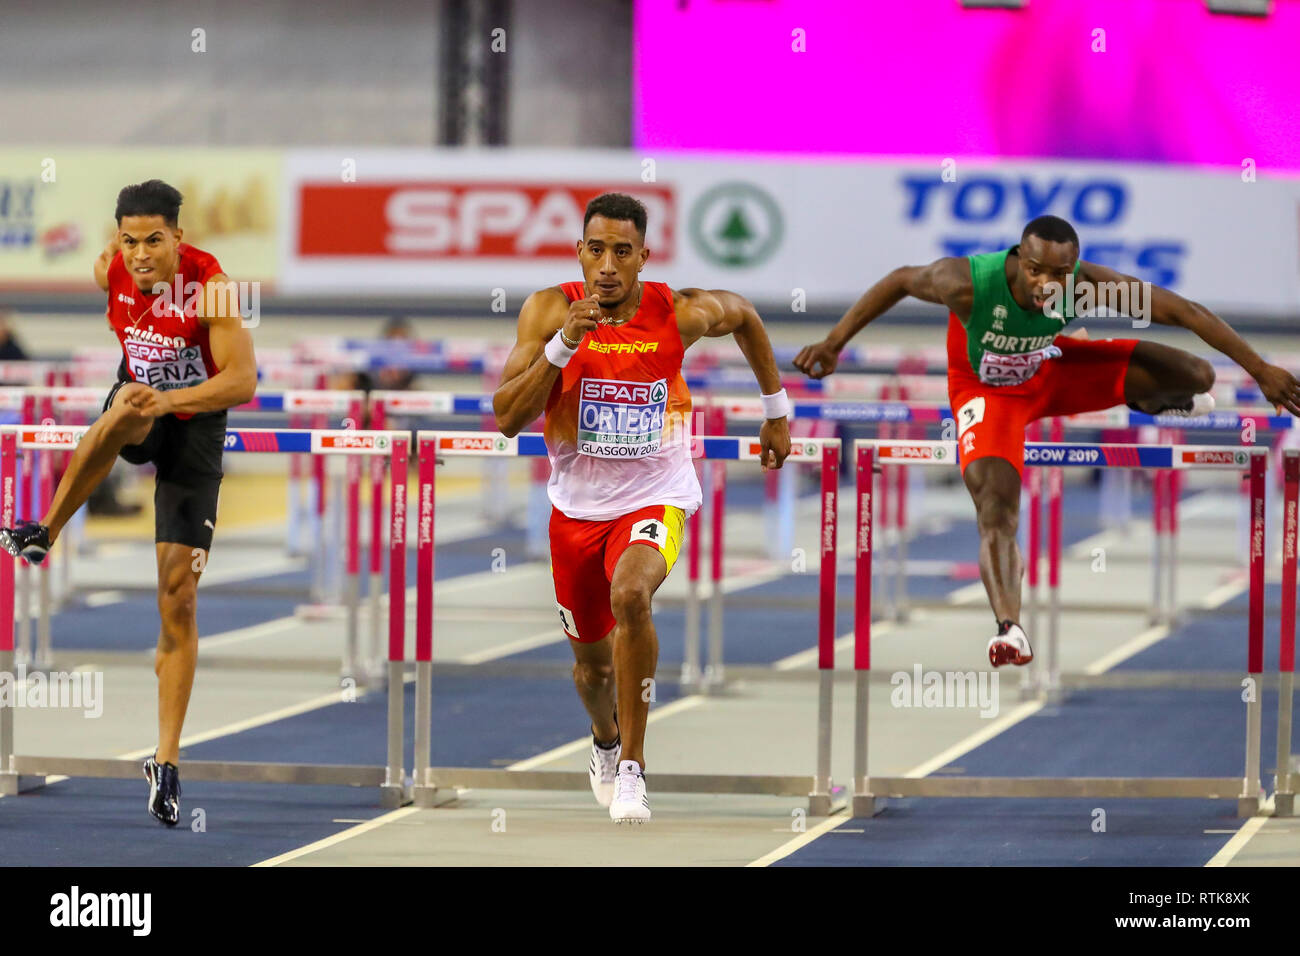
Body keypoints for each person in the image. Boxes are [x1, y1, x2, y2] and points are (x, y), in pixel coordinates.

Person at [794, 215, 1300, 668]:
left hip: (1051, 369)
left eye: (1060, 275)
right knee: (995, 503)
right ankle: (1009, 627)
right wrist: (834, 342)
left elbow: (1186, 311)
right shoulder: (965, 282)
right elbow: (900, 280)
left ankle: (1150, 402)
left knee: (1197, 374)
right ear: (1019, 259)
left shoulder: (1088, 285)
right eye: (1036, 270)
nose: (1047, 285)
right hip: (989, 393)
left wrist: (1260, 369)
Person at [493, 193, 791, 823]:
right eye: (595, 250)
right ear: (579, 252)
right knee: (591, 673)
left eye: (621, 252)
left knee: (633, 594)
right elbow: (507, 420)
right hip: (575, 510)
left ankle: (633, 766)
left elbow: (744, 317)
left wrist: (776, 412)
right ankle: (603, 741)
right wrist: (563, 346)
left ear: (643, 257)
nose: (607, 265)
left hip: (656, 493)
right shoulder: (548, 310)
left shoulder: (676, 312)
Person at [0, 180, 258, 825]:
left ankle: (166, 761)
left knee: (178, 595)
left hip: (194, 419)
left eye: (154, 240)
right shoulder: (107, 269)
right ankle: (46, 530)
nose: (141, 254)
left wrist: (170, 399)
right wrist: (146, 395)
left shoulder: (214, 287)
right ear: (117, 240)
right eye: (129, 240)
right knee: (121, 408)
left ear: (178, 236)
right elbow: (127, 333)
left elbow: (244, 380)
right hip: (138, 405)